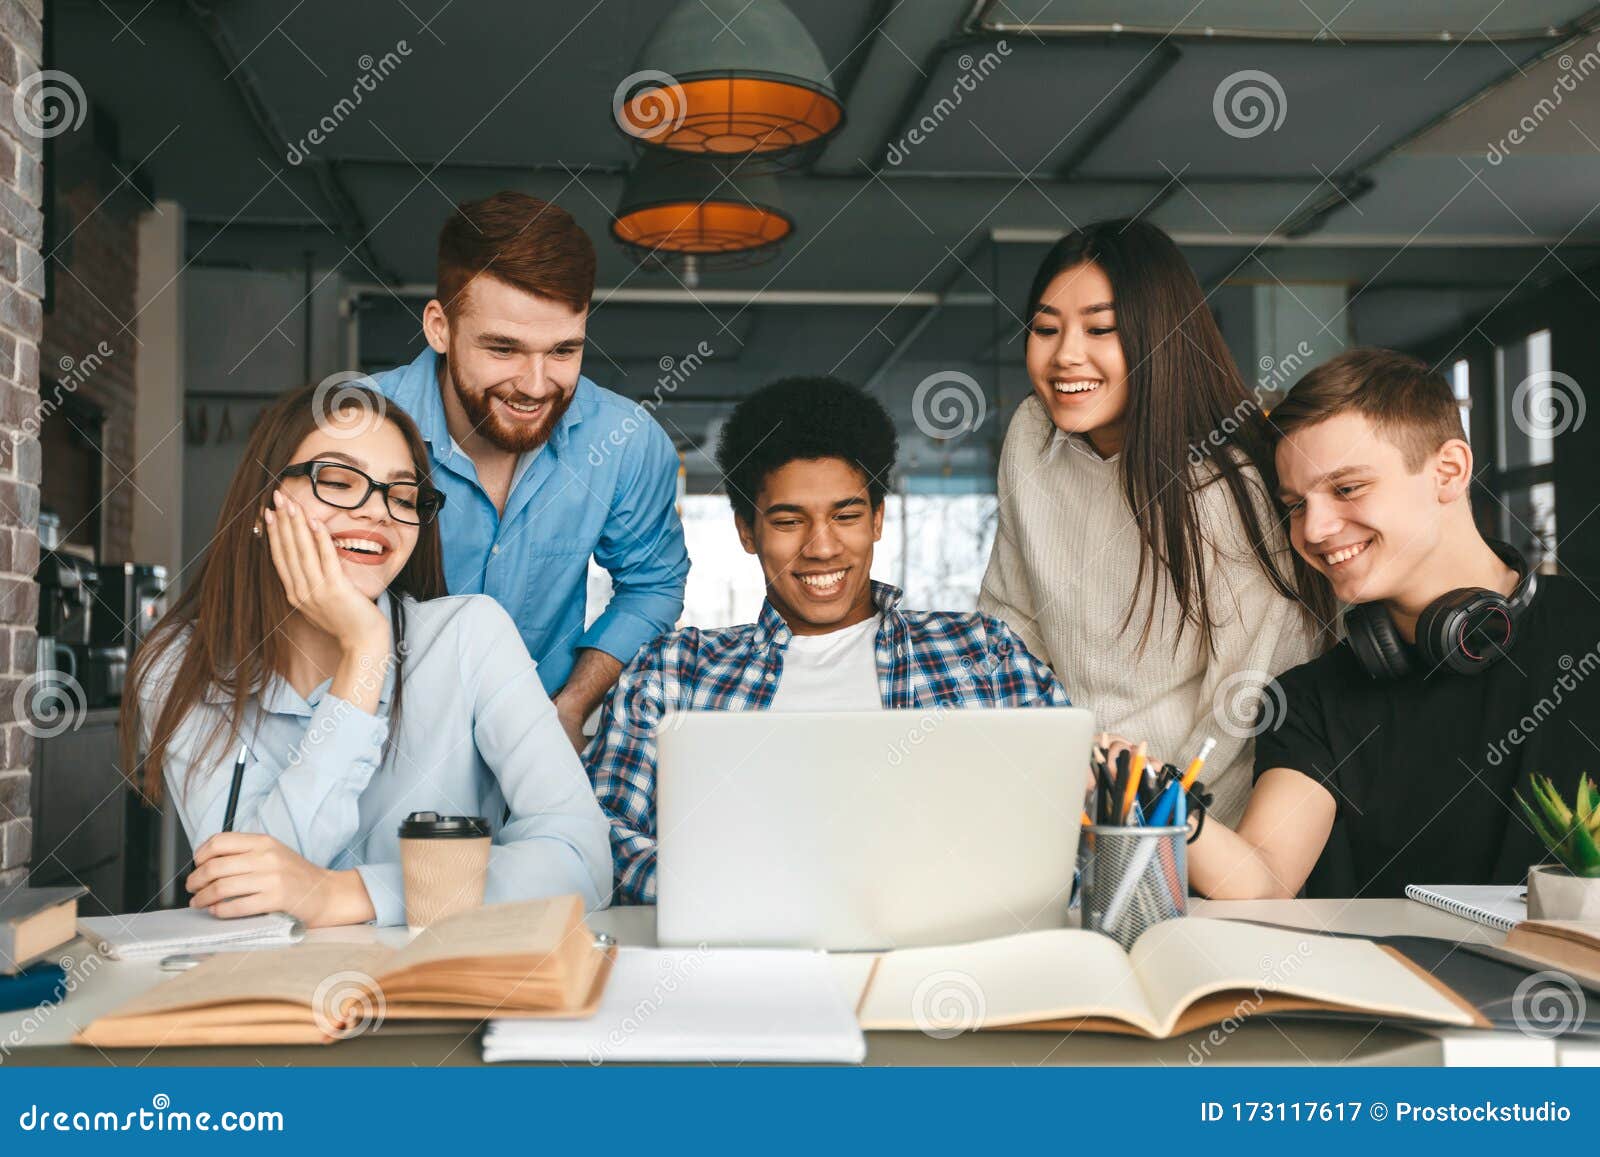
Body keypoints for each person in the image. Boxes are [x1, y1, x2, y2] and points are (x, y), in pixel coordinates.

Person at [121, 383, 613, 927]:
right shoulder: (179, 666)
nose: (379, 512)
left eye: (402, 497)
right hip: (271, 980)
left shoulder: (471, 636)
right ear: (262, 504)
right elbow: (247, 900)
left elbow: (581, 862)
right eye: (337, 482)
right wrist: (363, 653)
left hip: (439, 975)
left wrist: (347, 895)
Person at [587, 376, 1071, 904]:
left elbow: (1076, 823)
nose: (821, 547)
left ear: (877, 519)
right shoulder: (675, 672)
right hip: (743, 947)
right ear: (747, 531)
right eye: (789, 521)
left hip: (945, 943)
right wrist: (745, 897)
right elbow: (599, 832)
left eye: (846, 515)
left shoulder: (982, 654)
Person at [1188, 348, 1597, 899]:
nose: (1314, 529)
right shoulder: (1309, 700)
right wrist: (1155, 799)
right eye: (1296, 505)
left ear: (1448, 472)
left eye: (1346, 488)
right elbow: (1262, 880)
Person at [978, 219, 1330, 824]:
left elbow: (1245, 704)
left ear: (1160, 336)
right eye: (1046, 328)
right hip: (1061, 800)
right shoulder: (1032, 438)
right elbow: (1010, 627)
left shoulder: (1225, 482)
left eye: (1100, 329)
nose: (1065, 355)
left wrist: (1151, 823)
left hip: (1188, 820)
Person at [370, 191, 690, 751]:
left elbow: (653, 584)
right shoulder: (354, 427)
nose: (536, 386)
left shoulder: (625, 442)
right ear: (440, 327)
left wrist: (572, 705)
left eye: (563, 351)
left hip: (537, 745)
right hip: (376, 744)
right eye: (504, 349)